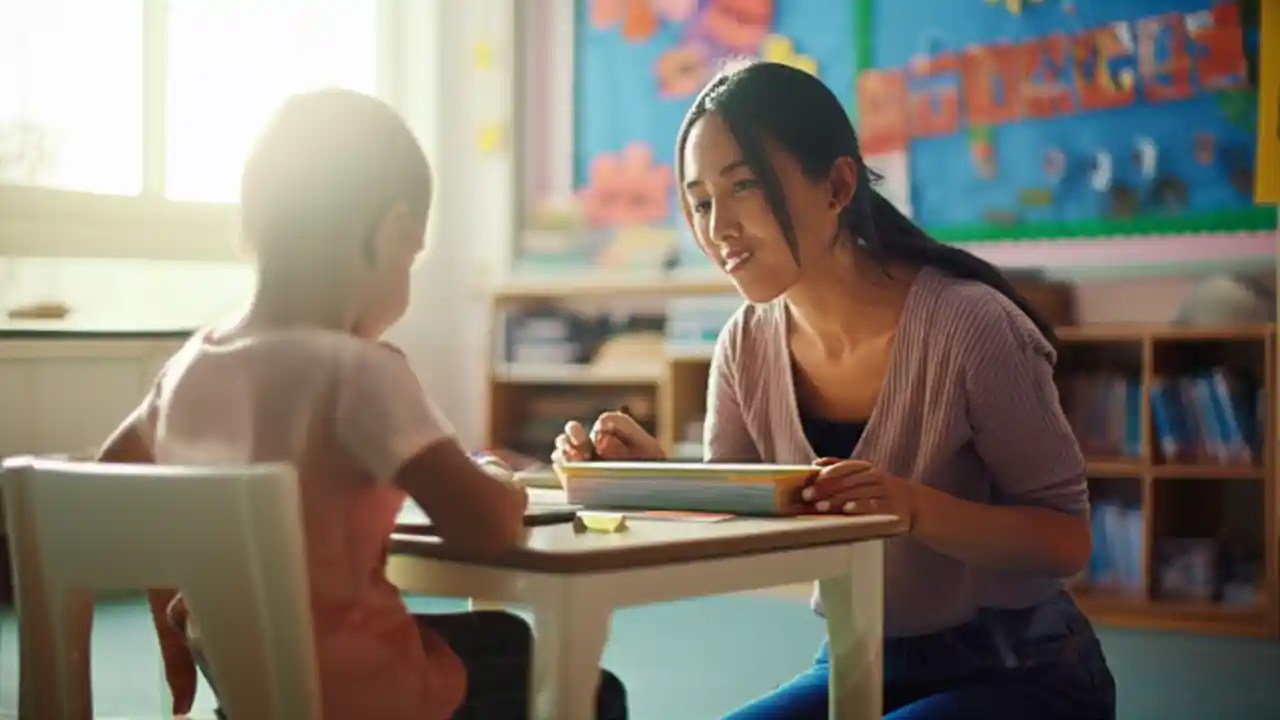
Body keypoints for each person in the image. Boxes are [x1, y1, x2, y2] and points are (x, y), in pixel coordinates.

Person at [553, 61, 1114, 719]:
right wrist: (648, 478)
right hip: (860, 657)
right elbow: (736, 517)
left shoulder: (972, 325)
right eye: (701, 202)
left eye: (746, 186)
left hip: (1025, 671)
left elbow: (1066, 541)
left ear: (838, 184)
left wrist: (912, 508)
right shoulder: (745, 343)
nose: (719, 227)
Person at [96, 89, 627, 720]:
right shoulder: (360, 374)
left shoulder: (187, 370)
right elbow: (484, 528)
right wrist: (498, 481)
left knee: (502, 641)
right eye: (413, 255)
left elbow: (111, 484)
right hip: (372, 699)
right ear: (391, 231)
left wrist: (169, 611)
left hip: (248, 692)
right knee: (588, 687)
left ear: (252, 226)